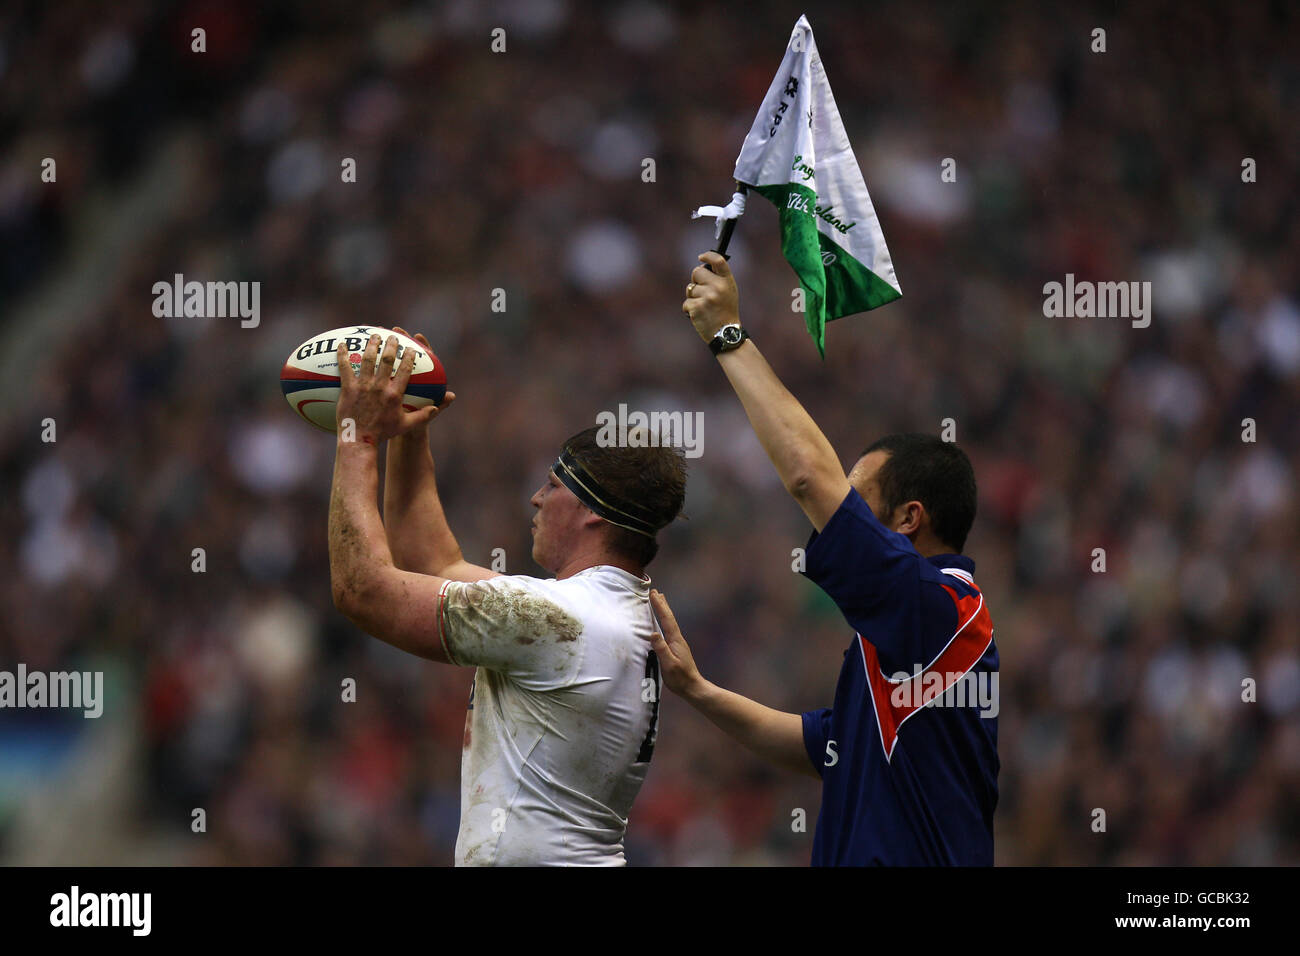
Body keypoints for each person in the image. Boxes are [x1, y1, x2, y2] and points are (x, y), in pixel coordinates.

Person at [646, 253, 998, 865]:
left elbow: (809, 477)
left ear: (909, 519)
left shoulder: (940, 610)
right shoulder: (908, 635)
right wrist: (698, 691)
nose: (842, 514)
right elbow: (821, 745)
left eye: (858, 499)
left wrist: (729, 335)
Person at [327, 329, 686, 866]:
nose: (536, 499)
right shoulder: (600, 613)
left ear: (592, 510)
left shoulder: (557, 619)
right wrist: (410, 429)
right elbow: (433, 564)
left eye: (554, 484)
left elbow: (363, 589)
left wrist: (357, 438)